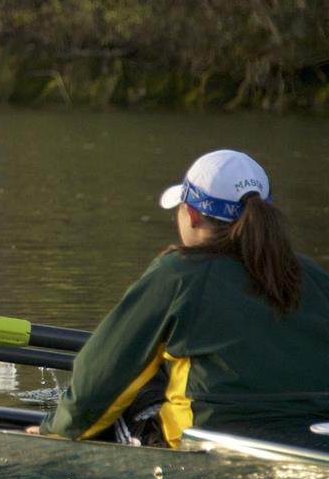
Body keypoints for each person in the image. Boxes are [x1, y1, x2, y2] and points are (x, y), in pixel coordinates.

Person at [45, 149, 329, 449]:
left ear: (191, 214)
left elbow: (98, 379)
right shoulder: (313, 275)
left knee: (132, 392)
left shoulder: (179, 274)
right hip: (315, 443)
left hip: (209, 445)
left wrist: (53, 434)